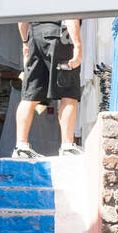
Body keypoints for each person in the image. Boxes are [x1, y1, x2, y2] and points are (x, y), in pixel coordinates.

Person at [13, 19, 81, 160]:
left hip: (34, 34)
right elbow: (70, 14)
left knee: (29, 94)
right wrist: (77, 45)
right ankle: (68, 146)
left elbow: (21, 17)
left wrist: (25, 41)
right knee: (68, 92)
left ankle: (21, 146)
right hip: (60, 33)